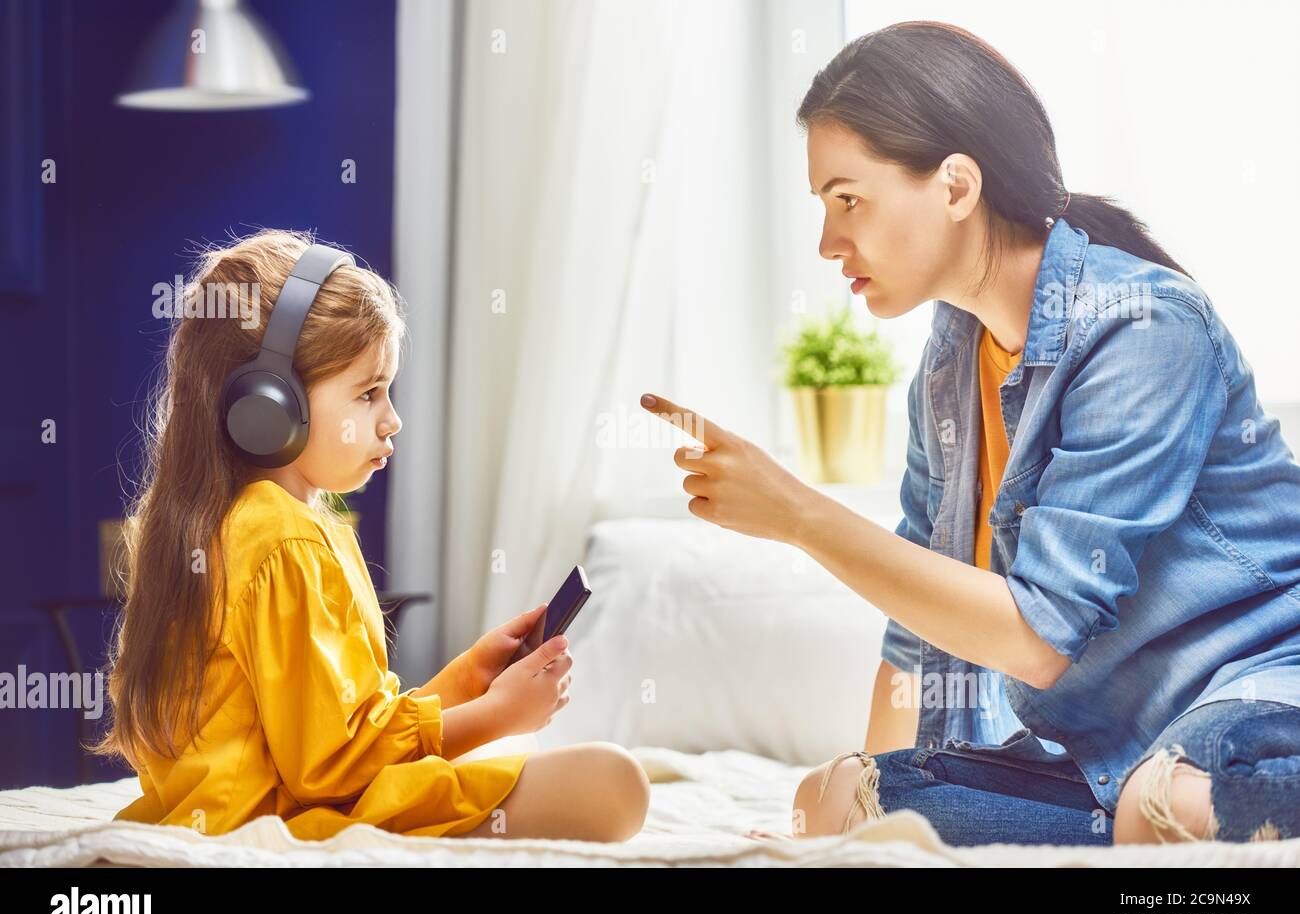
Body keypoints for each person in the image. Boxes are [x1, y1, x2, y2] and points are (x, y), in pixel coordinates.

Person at [642, 21, 1300, 846]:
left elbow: (1036, 638)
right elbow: (917, 631)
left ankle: (1174, 813)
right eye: (821, 206)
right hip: (1111, 753)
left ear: (956, 186)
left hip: (1257, 696)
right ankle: (1149, 820)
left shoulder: (1143, 326)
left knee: (1161, 803)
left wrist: (799, 514)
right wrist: (869, 822)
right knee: (840, 797)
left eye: (848, 199)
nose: (826, 242)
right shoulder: (950, 363)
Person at [93, 228, 649, 842]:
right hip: (285, 821)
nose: (393, 420)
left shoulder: (260, 524)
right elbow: (331, 767)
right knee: (616, 782)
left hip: (284, 801)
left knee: (591, 777)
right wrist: (492, 718)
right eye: (368, 393)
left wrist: (467, 681)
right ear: (271, 404)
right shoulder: (282, 538)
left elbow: (343, 728)